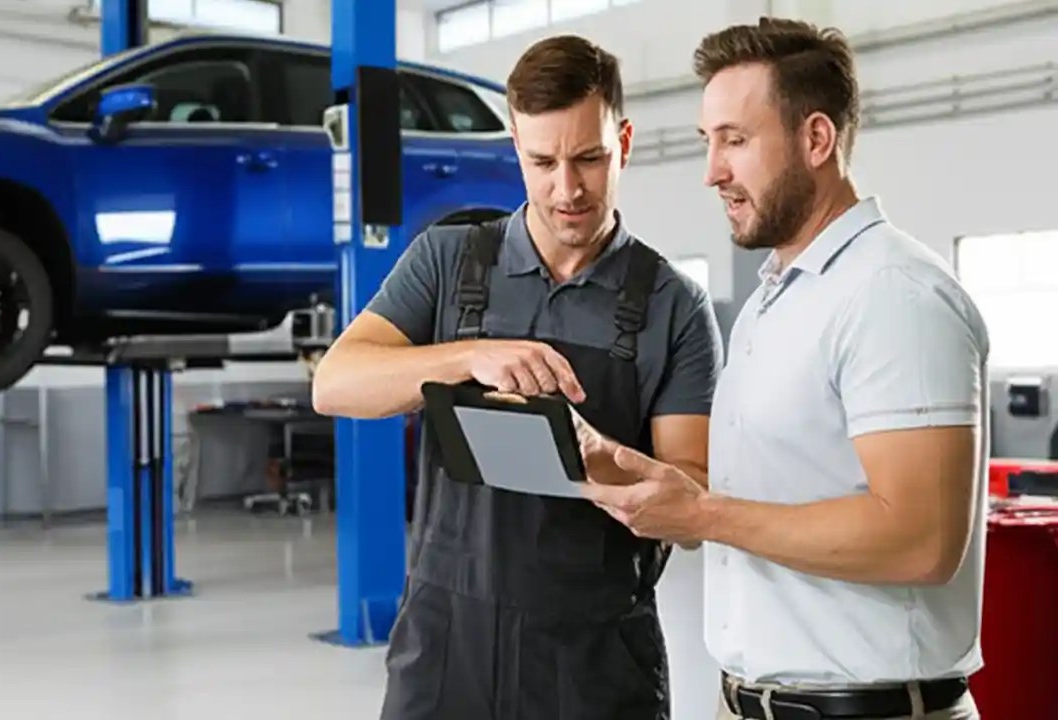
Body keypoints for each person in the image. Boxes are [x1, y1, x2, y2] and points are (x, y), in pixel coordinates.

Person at [576, 17, 989, 720]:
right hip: (749, 701)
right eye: (708, 141)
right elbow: (771, 496)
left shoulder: (893, 293)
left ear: (816, 139)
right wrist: (651, 481)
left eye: (735, 140)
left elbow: (921, 540)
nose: (712, 171)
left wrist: (705, 513)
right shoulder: (777, 299)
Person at [312, 34, 724, 720]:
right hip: (446, 647)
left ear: (623, 142)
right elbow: (334, 384)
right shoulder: (445, 263)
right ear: (516, 148)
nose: (568, 188)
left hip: (594, 660)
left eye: (589, 157)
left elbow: (693, 505)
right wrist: (467, 356)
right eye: (543, 162)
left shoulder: (672, 304)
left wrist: (597, 457)